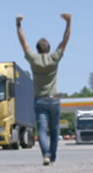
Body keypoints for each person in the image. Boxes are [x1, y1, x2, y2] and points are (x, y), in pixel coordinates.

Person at [17, 13, 71, 165]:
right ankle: (52, 156)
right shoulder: (54, 59)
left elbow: (23, 42)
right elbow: (65, 40)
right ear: (49, 49)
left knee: (42, 129)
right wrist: (69, 22)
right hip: (54, 99)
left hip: (39, 100)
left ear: (37, 49)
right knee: (54, 130)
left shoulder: (33, 60)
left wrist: (18, 24)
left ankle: (46, 155)